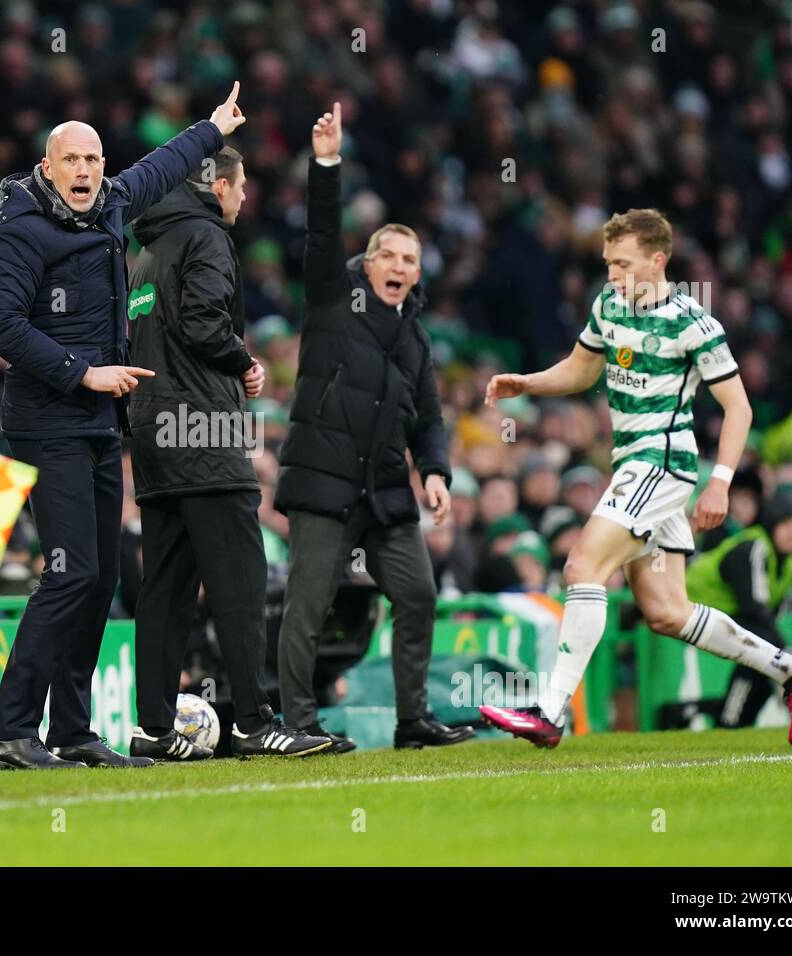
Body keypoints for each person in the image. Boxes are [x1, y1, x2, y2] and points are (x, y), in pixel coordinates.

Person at [479, 208, 792, 748]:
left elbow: (739, 408)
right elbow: (581, 368)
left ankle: (550, 712)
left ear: (657, 260)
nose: (612, 274)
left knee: (581, 565)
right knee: (665, 611)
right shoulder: (609, 305)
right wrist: (528, 383)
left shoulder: (693, 322)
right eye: (608, 263)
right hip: (634, 467)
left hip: (662, 466)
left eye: (622, 263)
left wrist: (721, 481)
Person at [0, 83, 247, 770]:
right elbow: (0, 327)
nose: (85, 171)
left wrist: (213, 128)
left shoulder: (112, 204)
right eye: (72, 159)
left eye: (94, 159)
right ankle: (10, 731)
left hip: (99, 424)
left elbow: (161, 165)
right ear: (47, 167)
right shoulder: (17, 231)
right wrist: (81, 371)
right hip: (48, 420)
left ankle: (72, 731)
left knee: (98, 580)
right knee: (69, 573)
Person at [273, 104, 473, 751]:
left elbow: (430, 417)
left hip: (386, 492)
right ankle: (298, 724)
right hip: (324, 485)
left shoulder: (415, 336)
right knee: (307, 607)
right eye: (386, 252)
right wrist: (327, 164)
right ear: (368, 261)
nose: (397, 264)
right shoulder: (333, 296)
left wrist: (436, 471)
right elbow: (323, 235)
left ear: (417, 273)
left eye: (409, 259)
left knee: (417, 596)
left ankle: (412, 722)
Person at [126, 145, 331, 759]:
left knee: (163, 588)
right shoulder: (206, 237)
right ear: (218, 185)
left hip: (154, 434)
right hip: (205, 433)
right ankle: (252, 721)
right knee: (240, 581)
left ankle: (154, 729)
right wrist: (244, 361)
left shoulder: (147, 252)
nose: (244, 200)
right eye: (241, 189)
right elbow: (203, 322)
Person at [686, 491, 792, 728]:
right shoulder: (753, 548)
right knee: (762, 648)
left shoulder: (791, 566)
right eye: (786, 524)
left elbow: (769, 619)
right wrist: (791, 656)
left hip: (723, 616)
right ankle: (729, 721)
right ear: (772, 525)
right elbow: (753, 608)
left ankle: (740, 721)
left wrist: (785, 655)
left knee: (765, 653)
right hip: (687, 604)